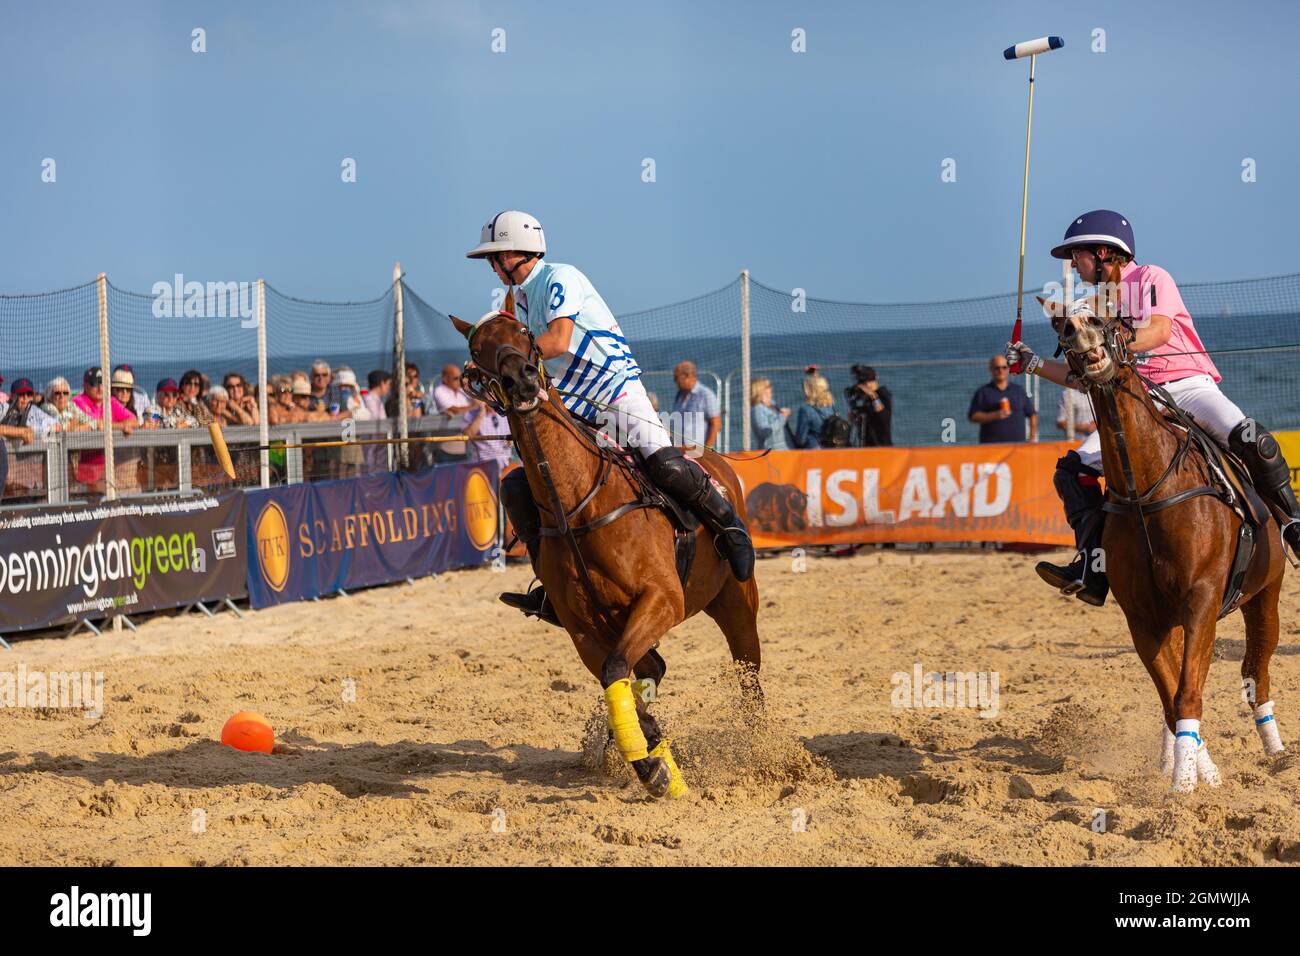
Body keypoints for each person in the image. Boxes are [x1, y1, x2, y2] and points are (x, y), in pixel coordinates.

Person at [465, 209, 752, 625]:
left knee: (664, 463)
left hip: (614, 389)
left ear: (521, 253)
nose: (493, 265)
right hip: (573, 403)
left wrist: (507, 360)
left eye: (497, 257)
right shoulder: (518, 300)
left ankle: (729, 527)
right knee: (519, 484)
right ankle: (552, 580)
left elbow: (560, 341)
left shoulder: (560, 277)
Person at [1007, 209, 1300, 606]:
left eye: (1077, 255)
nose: (1072, 264)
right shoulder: (1093, 303)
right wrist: (1032, 363)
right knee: (1071, 472)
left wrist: (1116, 343)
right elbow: (1082, 376)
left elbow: (1160, 330)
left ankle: (1293, 526)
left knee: (1256, 440)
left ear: (1104, 253)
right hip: (1138, 399)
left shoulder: (1151, 278)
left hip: (1188, 385)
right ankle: (1094, 565)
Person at [71, 367, 137, 494]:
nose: (100, 388)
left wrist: (114, 426)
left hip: (110, 469)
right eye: (94, 384)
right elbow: (97, 425)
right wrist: (121, 425)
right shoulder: (78, 402)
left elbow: (134, 421)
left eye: (103, 383)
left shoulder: (110, 401)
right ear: (85, 385)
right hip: (86, 471)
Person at [968, 355, 1037, 443]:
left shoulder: (1018, 391)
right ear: (991, 369)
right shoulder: (983, 392)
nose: (1001, 371)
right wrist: (994, 415)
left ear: (1009, 369)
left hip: (1017, 447)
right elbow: (973, 416)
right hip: (991, 447)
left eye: (1004, 367)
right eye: (997, 368)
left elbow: (1032, 414)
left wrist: (1032, 438)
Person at [671, 360, 721, 449]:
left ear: (687, 376)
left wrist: (707, 449)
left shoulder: (705, 394)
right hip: (680, 451)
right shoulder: (678, 396)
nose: (675, 381)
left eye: (676, 377)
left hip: (698, 452)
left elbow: (716, 423)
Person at [845, 365, 893, 446]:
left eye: (866, 382)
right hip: (867, 445)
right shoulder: (867, 399)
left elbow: (883, 416)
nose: (865, 385)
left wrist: (873, 396)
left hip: (882, 446)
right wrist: (853, 416)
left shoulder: (883, 393)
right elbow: (860, 421)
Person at [431, 364, 472, 461]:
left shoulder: (462, 392)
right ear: (445, 379)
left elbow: (476, 408)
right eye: (456, 378)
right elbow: (455, 410)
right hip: (445, 449)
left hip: (464, 449)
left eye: (460, 377)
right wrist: (473, 407)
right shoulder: (439, 391)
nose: (459, 381)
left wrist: (469, 389)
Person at [464, 398, 513, 474]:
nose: (492, 400)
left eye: (493, 397)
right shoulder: (472, 414)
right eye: (488, 398)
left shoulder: (505, 414)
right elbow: (467, 435)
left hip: (506, 463)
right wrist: (481, 414)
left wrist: (511, 441)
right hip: (484, 464)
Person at [790, 374, 836, 449]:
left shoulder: (805, 410)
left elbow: (800, 440)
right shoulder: (831, 407)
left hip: (814, 452)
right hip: (832, 448)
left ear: (809, 391)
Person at [749, 377, 790, 450]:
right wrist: (782, 417)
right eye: (768, 387)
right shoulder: (758, 409)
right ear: (760, 390)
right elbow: (764, 431)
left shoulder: (772, 405)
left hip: (783, 450)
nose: (771, 389)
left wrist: (782, 414)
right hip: (772, 452)